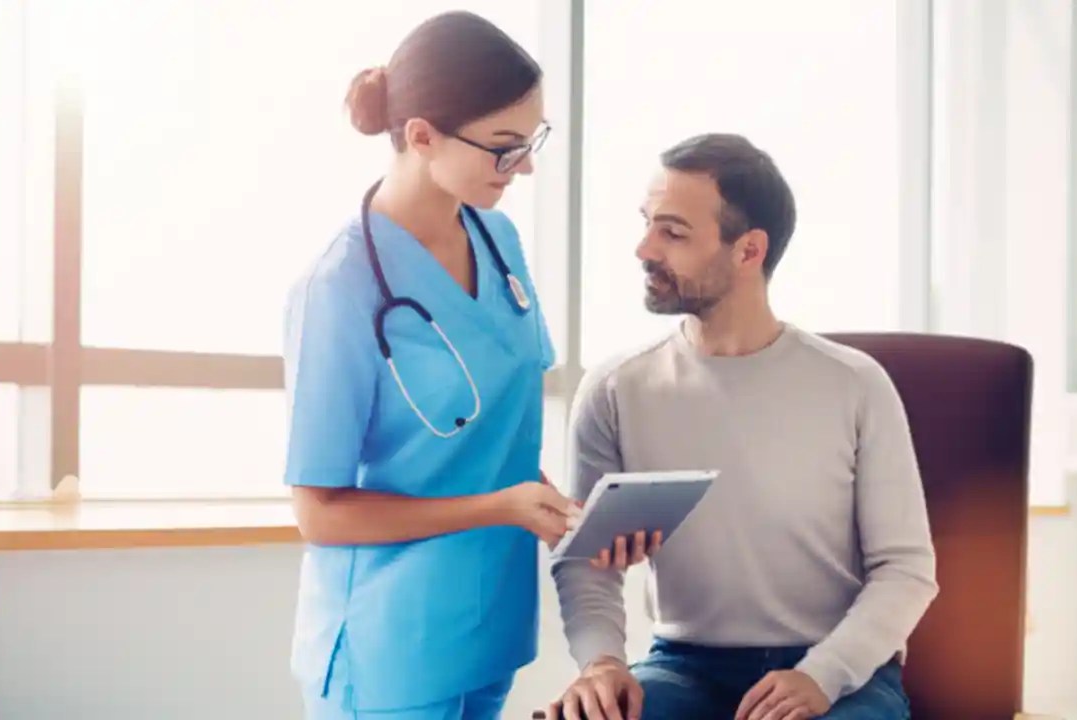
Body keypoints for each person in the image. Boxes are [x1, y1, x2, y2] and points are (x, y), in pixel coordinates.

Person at [282, 12, 646, 720]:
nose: (526, 167)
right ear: (421, 135)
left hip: (488, 628)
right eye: (505, 148)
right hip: (390, 644)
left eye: (532, 142)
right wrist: (502, 506)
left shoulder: (498, 237)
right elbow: (318, 513)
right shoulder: (339, 288)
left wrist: (571, 514)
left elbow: (490, 430)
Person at [547, 134, 939, 720]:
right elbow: (586, 559)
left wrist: (821, 677)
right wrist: (602, 661)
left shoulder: (855, 384)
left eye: (673, 233)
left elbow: (907, 570)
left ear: (749, 251)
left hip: (835, 670)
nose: (643, 248)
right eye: (647, 223)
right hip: (683, 664)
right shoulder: (615, 388)